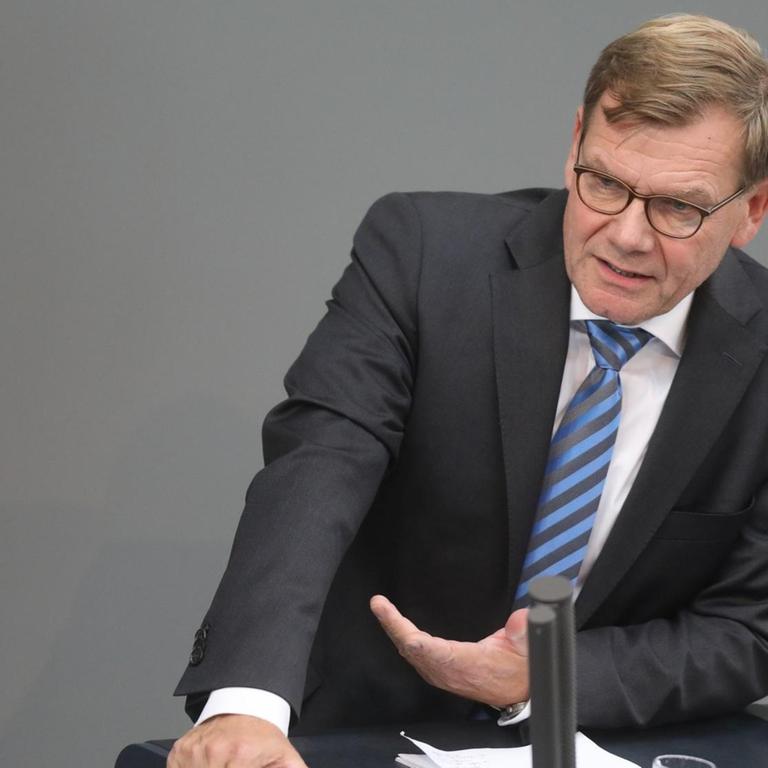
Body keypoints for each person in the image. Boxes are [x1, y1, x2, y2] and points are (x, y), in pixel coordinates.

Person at [168, 14, 768, 768]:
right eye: (605, 182)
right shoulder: (423, 256)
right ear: (576, 138)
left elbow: (750, 628)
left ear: (751, 210)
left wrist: (549, 677)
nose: (626, 235)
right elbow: (318, 465)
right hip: (354, 724)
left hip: (606, 743)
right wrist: (248, 705)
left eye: (678, 207)